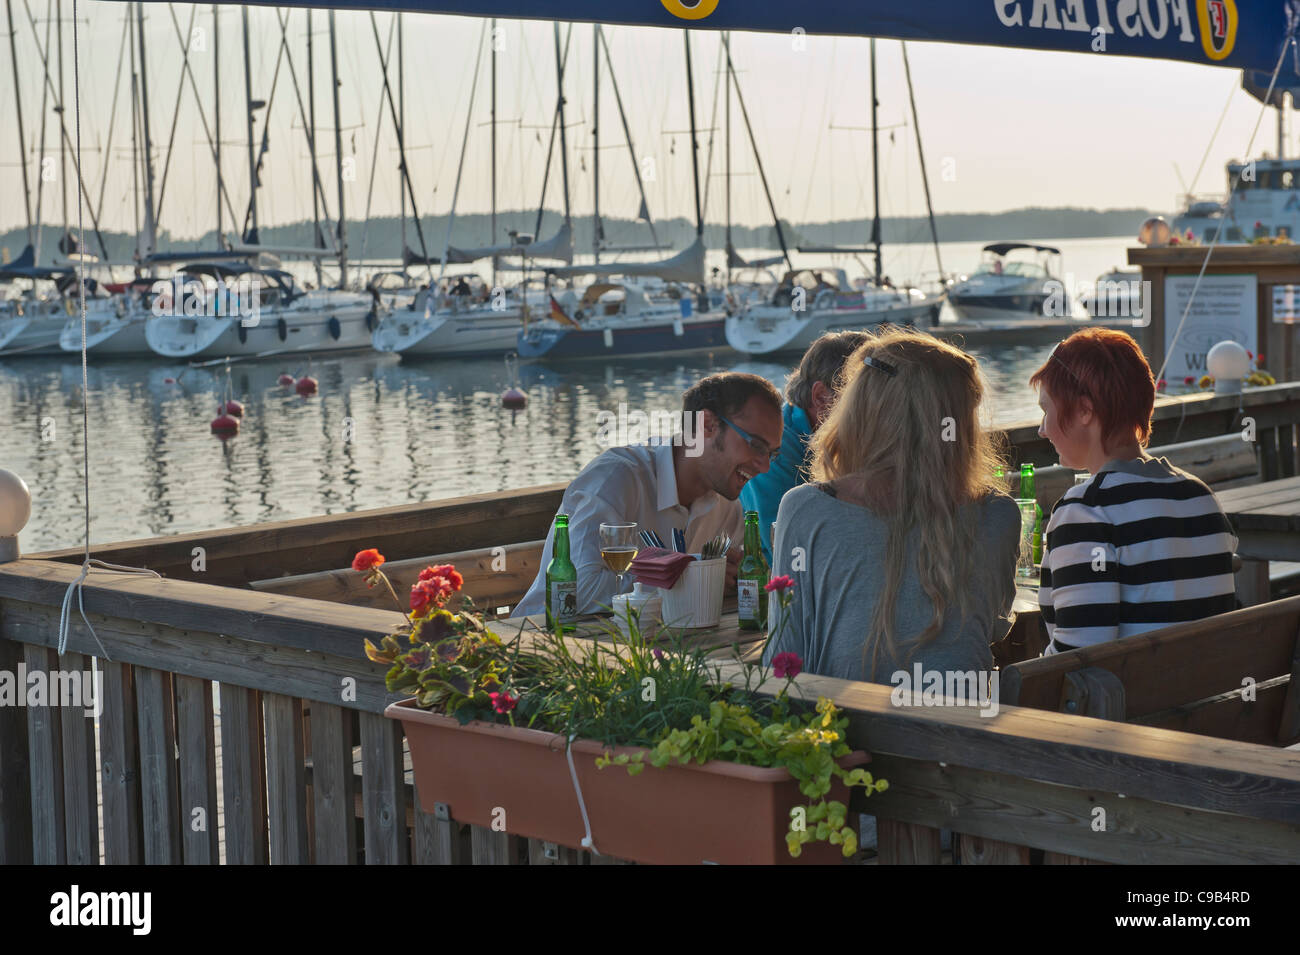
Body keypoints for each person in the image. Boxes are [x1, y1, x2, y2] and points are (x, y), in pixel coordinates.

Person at [763, 328, 1021, 683]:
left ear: (860, 409)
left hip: (844, 731)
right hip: (961, 729)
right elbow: (994, 625)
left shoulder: (806, 509)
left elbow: (783, 657)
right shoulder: (999, 514)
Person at [1030, 328, 1238, 653]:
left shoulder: (1086, 512)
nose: (1042, 430)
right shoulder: (1198, 495)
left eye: (1046, 410)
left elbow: (1078, 663)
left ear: (1085, 411)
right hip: (1208, 696)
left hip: (1129, 703)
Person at [512, 372, 784, 619]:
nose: (765, 466)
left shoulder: (728, 504)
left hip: (655, 653)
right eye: (756, 445)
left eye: (772, 453)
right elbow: (573, 593)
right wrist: (689, 576)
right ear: (707, 425)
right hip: (546, 652)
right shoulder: (616, 478)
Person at [740, 330, 869, 563]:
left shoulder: (858, 439)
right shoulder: (772, 450)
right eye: (865, 400)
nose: (880, 413)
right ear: (820, 397)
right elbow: (784, 552)